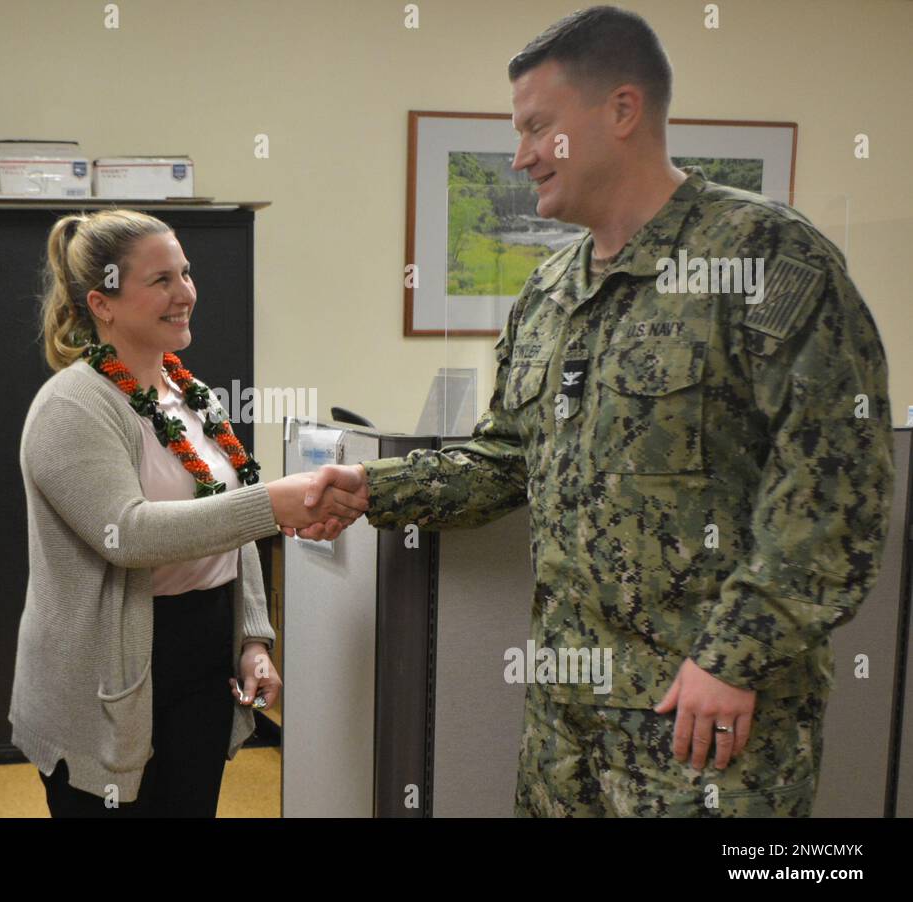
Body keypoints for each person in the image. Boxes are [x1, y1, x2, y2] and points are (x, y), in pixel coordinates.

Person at [301, 6, 894, 816]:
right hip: (566, 723)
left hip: (700, 728)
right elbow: (511, 458)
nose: (522, 157)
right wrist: (374, 487)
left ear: (621, 111)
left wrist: (735, 659)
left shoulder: (765, 257)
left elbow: (836, 491)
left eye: (539, 128)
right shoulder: (552, 292)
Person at [10, 209, 365, 817]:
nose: (186, 294)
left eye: (186, 273)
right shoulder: (70, 407)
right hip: (108, 672)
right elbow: (130, 533)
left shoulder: (187, 395)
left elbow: (228, 516)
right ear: (104, 303)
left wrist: (252, 639)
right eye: (161, 280)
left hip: (202, 653)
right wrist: (271, 504)